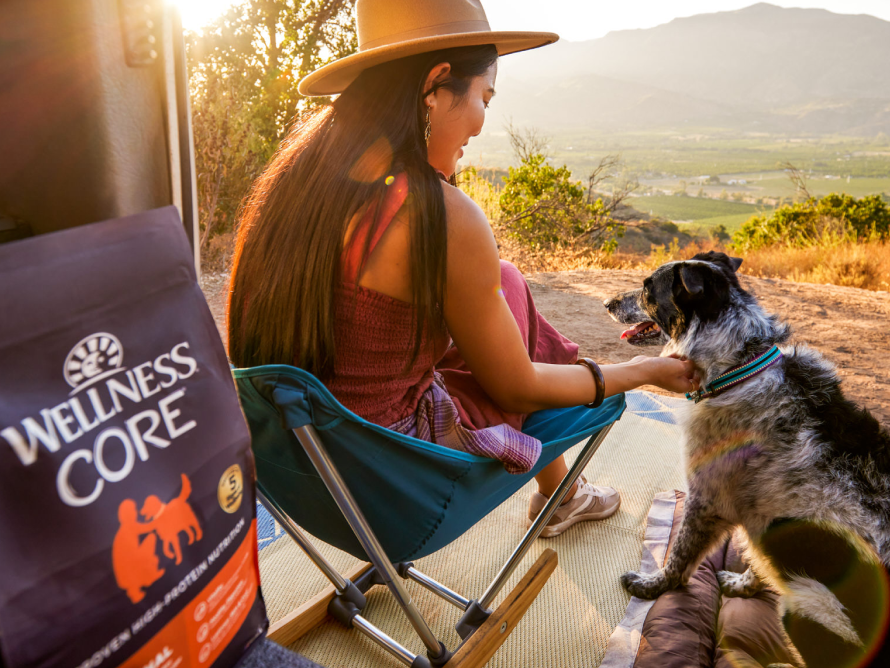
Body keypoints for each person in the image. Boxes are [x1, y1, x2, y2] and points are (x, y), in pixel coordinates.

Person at [228, 0, 699, 537]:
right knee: (511, 290)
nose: (480, 123)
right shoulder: (437, 216)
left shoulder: (295, 183)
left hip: (303, 474)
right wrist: (644, 372)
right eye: (483, 97)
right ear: (436, 84)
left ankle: (563, 492)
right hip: (397, 486)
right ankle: (562, 493)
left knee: (503, 280)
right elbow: (518, 390)